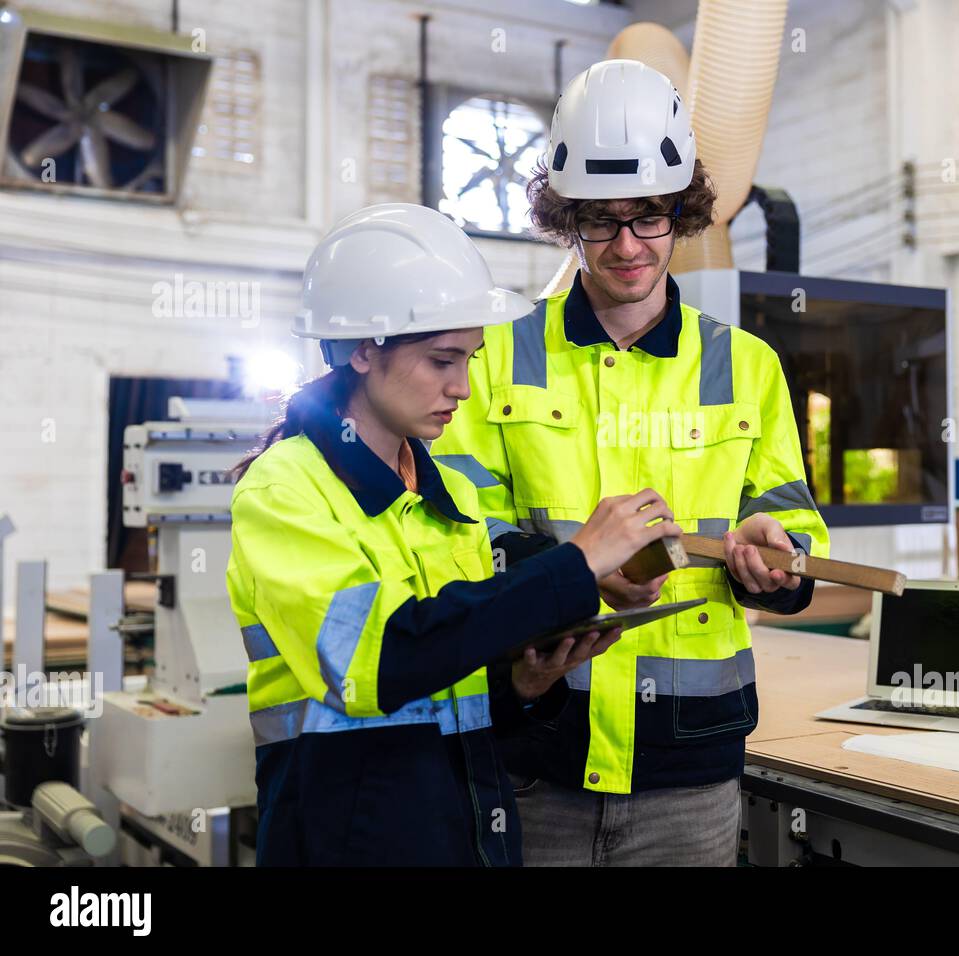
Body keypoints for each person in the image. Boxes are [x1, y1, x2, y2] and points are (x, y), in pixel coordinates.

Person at [430, 61, 830, 866]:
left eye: (649, 218)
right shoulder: (495, 360)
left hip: (690, 774)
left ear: (681, 213)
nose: (627, 247)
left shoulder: (747, 366)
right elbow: (459, 539)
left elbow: (796, 530)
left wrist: (778, 557)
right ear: (563, 219)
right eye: (600, 221)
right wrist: (576, 572)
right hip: (540, 757)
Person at [225, 203, 680, 865]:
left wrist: (521, 686)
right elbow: (376, 664)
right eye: (442, 360)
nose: (463, 388)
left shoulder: (452, 496)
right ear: (360, 349)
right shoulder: (285, 490)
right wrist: (572, 565)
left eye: (469, 359)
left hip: (471, 839)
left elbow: (454, 678)